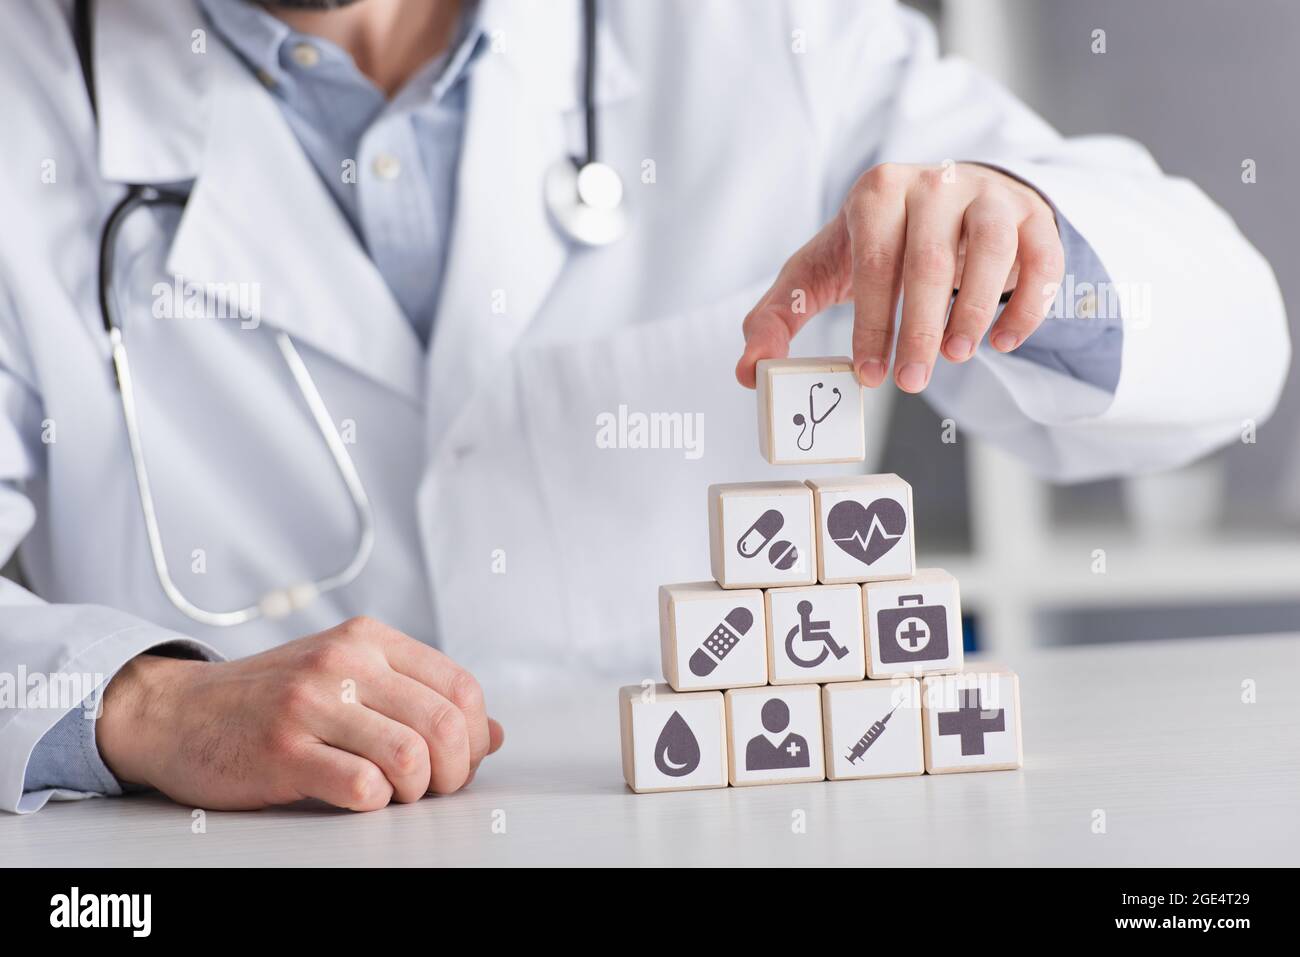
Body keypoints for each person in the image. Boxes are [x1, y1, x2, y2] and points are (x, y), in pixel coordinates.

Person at [0, 0, 1288, 814]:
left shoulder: (770, 39)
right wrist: (141, 707)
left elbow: (1233, 338)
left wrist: (1020, 246)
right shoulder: (28, 94)